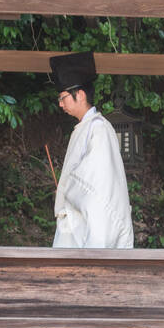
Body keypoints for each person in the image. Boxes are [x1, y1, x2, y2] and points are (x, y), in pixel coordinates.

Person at [48, 51, 134, 249]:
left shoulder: (99, 129)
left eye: (63, 97)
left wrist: (65, 188)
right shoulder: (85, 128)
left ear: (80, 95)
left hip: (89, 225)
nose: (60, 104)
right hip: (75, 221)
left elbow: (96, 185)